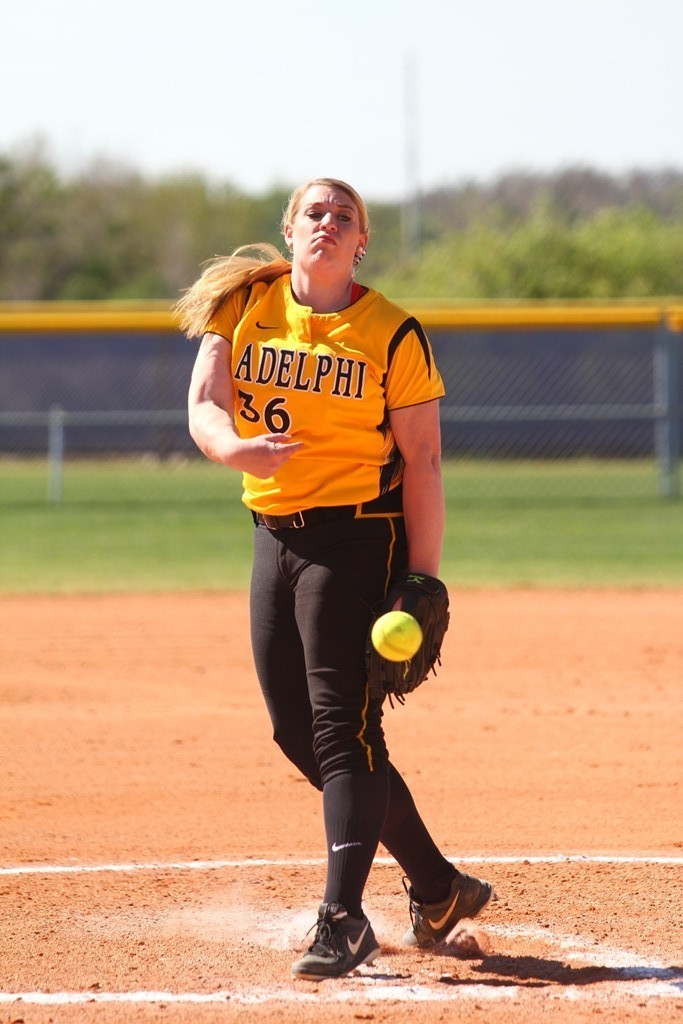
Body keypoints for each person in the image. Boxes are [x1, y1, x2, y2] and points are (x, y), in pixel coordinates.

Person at [178, 178, 494, 981]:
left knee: (340, 730)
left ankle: (343, 918)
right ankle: (437, 887)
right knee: (297, 731)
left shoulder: (390, 332)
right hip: (272, 535)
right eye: (312, 212)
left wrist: (423, 581)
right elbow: (205, 404)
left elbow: (420, 460)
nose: (327, 222)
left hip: (357, 538)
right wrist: (232, 449)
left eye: (342, 216)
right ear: (288, 230)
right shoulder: (245, 306)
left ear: (362, 242)